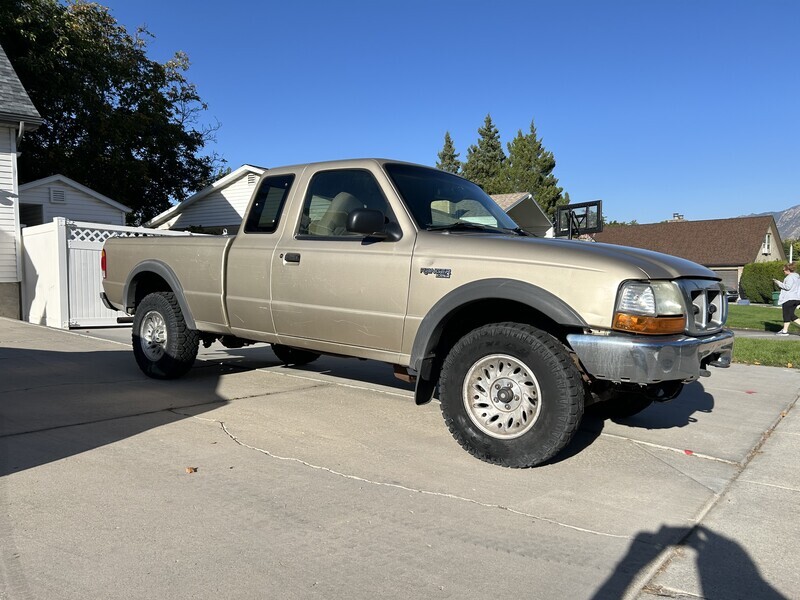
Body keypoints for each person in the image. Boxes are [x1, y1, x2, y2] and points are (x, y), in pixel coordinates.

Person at [774, 262, 800, 336]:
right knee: (791, 315)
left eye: (784, 270)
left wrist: (778, 283)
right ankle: (784, 330)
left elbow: (787, 287)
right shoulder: (797, 277)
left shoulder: (790, 277)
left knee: (786, 315)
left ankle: (784, 331)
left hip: (789, 298)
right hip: (796, 298)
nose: (783, 271)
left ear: (788, 270)